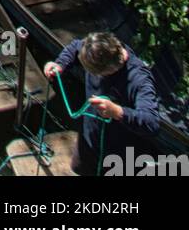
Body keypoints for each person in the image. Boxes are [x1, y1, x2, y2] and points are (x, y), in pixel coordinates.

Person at [44, 31, 160, 176]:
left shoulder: (139, 80)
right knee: (79, 169)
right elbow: (75, 47)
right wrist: (60, 64)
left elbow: (152, 123)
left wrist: (118, 112)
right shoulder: (96, 47)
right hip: (89, 141)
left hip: (120, 156)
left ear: (109, 69)